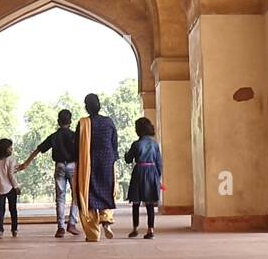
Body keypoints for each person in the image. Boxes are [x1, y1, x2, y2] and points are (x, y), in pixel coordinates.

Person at [17, 109, 81, 238]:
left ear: (58, 122)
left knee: (60, 198)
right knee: (76, 196)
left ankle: (60, 228)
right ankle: (72, 223)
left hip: (59, 166)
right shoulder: (75, 136)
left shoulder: (54, 136)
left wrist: (26, 163)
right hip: (73, 166)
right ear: (70, 122)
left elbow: (39, 149)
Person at [73, 93, 118, 241]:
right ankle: (106, 221)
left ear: (86, 107)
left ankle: (93, 234)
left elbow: (76, 146)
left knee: (89, 195)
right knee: (106, 192)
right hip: (106, 161)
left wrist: (76, 162)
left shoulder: (83, 123)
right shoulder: (108, 122)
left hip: (89, 164)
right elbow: (114, 143)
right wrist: (113, 160)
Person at [125, 117, 163, 239]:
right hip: (151, 172)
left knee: (136, 202)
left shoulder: (136, 144)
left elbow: (128, 159)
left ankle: (135, 228)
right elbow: (159, 163)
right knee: (150, 203)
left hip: (139, 172)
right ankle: (150, 230)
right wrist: (157, 177)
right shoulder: (155, 144)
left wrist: (127, 153)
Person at [0, 138, 21, 239]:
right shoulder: (11, 160)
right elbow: (11, 175)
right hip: (10, 188)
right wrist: (16, 187)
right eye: (10, 148)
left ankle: (0, 231)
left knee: (0, 210)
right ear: (5, 149)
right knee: (13, 209)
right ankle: (14, 230)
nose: (11, 149)